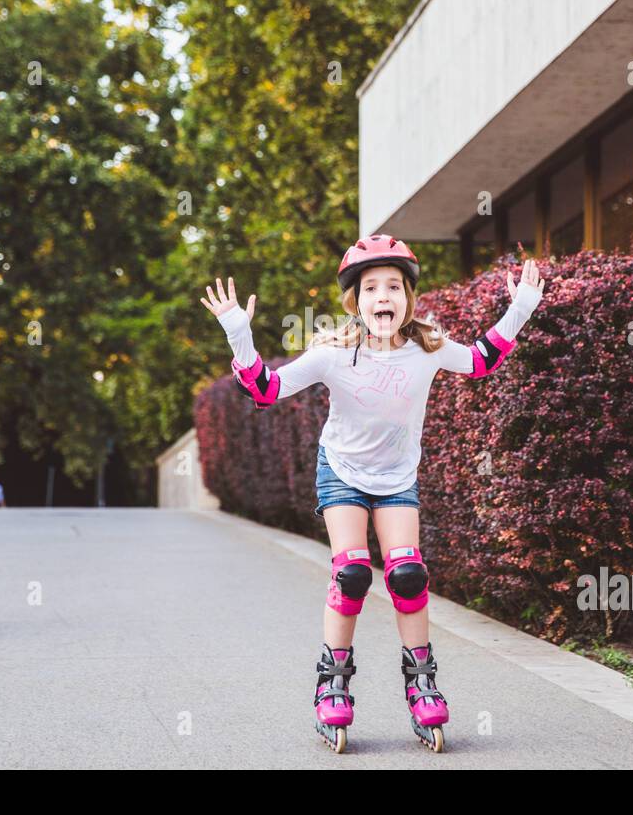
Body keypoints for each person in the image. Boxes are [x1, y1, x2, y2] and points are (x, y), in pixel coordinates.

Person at [202, 235, 544, 752]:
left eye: (393, 286)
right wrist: (238, 336)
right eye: (371, 288)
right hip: (341, 471)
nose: (383, 295)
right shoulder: (334, 353)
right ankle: (332, 683)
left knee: (407, 574)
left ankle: (422, 682)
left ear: (408, 297)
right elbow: (265, 390)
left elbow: (480, 361)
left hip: (396, 478)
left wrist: (522, 306)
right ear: (356, 302)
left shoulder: (428, 349)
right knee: (354, 572)